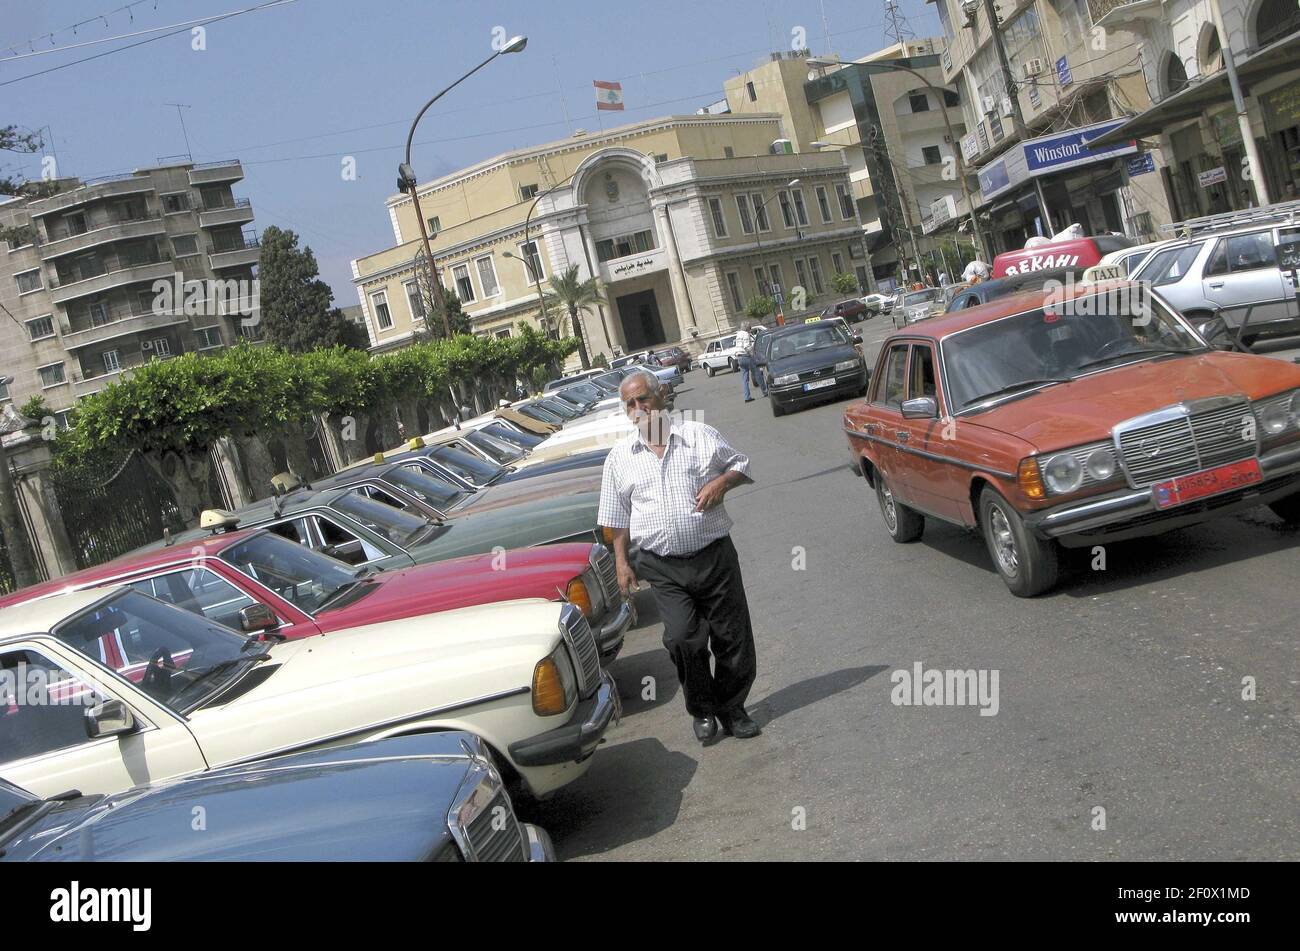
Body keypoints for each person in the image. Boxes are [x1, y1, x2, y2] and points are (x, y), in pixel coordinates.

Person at [598, 369, 760, 743]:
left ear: (661, 397)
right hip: (663, 566)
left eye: (644, 399)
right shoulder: (620, 458)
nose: (639, 408)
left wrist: (722, 481)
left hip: (714, 556)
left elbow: (742, 465)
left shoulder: (698, 436)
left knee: (732, 638)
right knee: (683, 639)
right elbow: (616, 519)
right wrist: (621, 563)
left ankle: (732, 709)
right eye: (630, 404)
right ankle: (702, 709)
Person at [733, 322, 766, 402]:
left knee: (745, 379)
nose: (750, 330)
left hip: (739, 357)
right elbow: (747, 346)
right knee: (757, 373)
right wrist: (753, 355)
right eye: (750, 328)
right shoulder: (745, 334)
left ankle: (747, 397)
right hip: (746, 357)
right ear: (747, 328)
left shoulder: (738, 334)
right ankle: (765, 391)